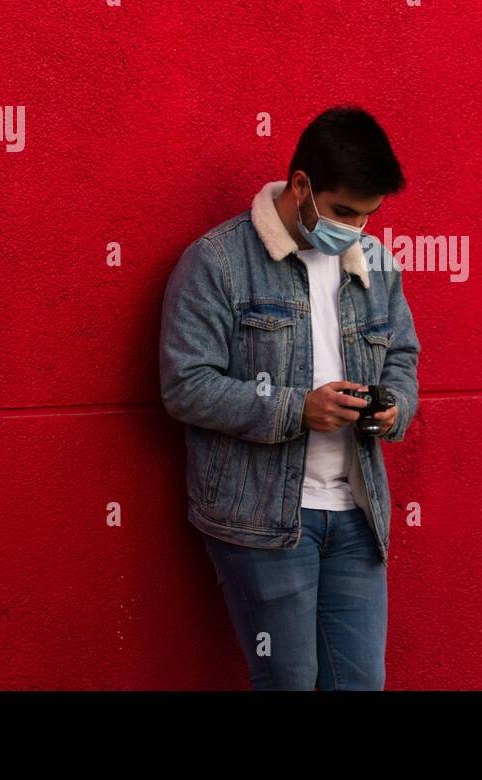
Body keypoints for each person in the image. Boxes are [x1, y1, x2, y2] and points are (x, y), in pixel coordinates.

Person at [159, 106, 419, 689]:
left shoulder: (373, 261)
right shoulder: (219, 261)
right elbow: (185, 384)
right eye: (343, 213)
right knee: (288, 684)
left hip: (356, 512)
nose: (355, 230)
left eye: (368, 217)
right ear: (301, 185)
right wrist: (297, 408)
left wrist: (395, 404)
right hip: (264, 521)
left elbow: (402, 354)